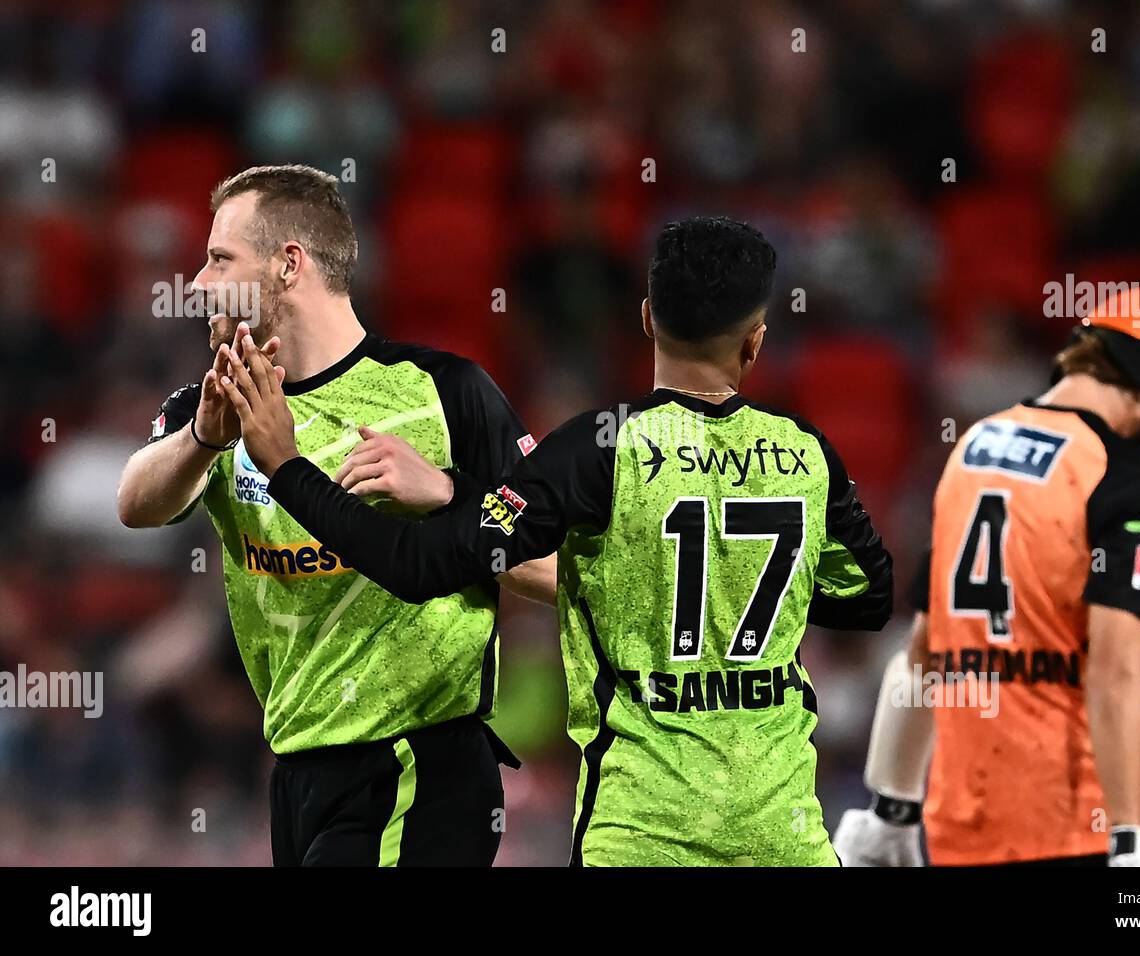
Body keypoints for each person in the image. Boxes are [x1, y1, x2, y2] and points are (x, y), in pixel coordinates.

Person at [217, 215, 894, 866]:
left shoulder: (600, 451)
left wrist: (287, 468)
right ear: (755, 340)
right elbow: (869, 597)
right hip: (784, 834)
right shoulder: (806, 454)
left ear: (647, 318)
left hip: (639, 834)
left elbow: (416, 566)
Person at [117, 164, 555, 866]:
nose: (196, 283)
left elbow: (561, 569)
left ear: (288, 264)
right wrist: (202, 438)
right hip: (298, 767)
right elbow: (135, 504)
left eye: (219, 258)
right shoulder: (218, 402)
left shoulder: (448, 395)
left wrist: (450, 494)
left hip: (421, 762)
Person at [833, 287, 1140, 866]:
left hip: (967, 833)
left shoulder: (972, 449)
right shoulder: (1129, 479)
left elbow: (922, 657)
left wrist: (889, 812)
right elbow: (1113, 672)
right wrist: (1131, 840)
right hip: (1082, 826)